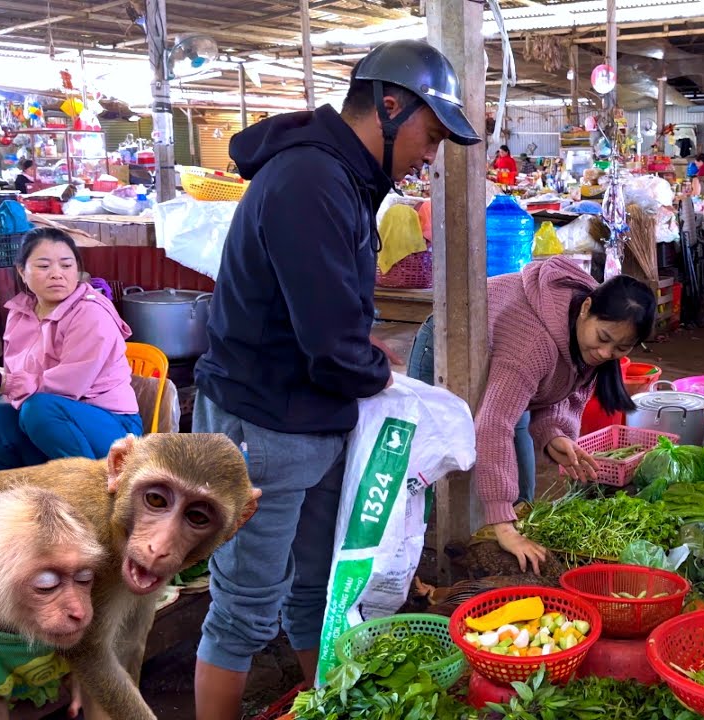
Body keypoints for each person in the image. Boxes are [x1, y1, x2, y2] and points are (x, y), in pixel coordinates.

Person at [189, 39, 480, 718]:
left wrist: (365, 350)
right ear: (388, 105)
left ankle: (322, 704)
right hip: (264, 423)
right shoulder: (310, 181)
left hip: (314, 417)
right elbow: (327, 344)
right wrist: (373, 363)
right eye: (430, 135)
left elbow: (323, 315)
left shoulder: (344, 179)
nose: (430, 156)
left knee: (320, 590)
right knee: (244, 608)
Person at [407, 257, 656, 573]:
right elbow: (494, 425)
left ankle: (497, 558)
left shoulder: (590, 332)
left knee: (520, 496)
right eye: (604, 339)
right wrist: (503, 524)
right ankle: (427, 567)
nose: (607, 354)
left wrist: (555, 435)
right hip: (447, 343)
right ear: (586, 308)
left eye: (622, 348)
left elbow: (558, 390)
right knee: (435, 465)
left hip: (501, 363)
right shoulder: (534, 343)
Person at [0, 228, 141, 471]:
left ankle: (93, 491)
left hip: (112, 427)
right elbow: (16, 379)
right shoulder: (20, 314)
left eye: (66, 265)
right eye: (44, 266)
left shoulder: (91, 314)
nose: (57, 274)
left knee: (39, 409)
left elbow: (66, 387)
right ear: (21, 272)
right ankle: (24, 495)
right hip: (49, 424)